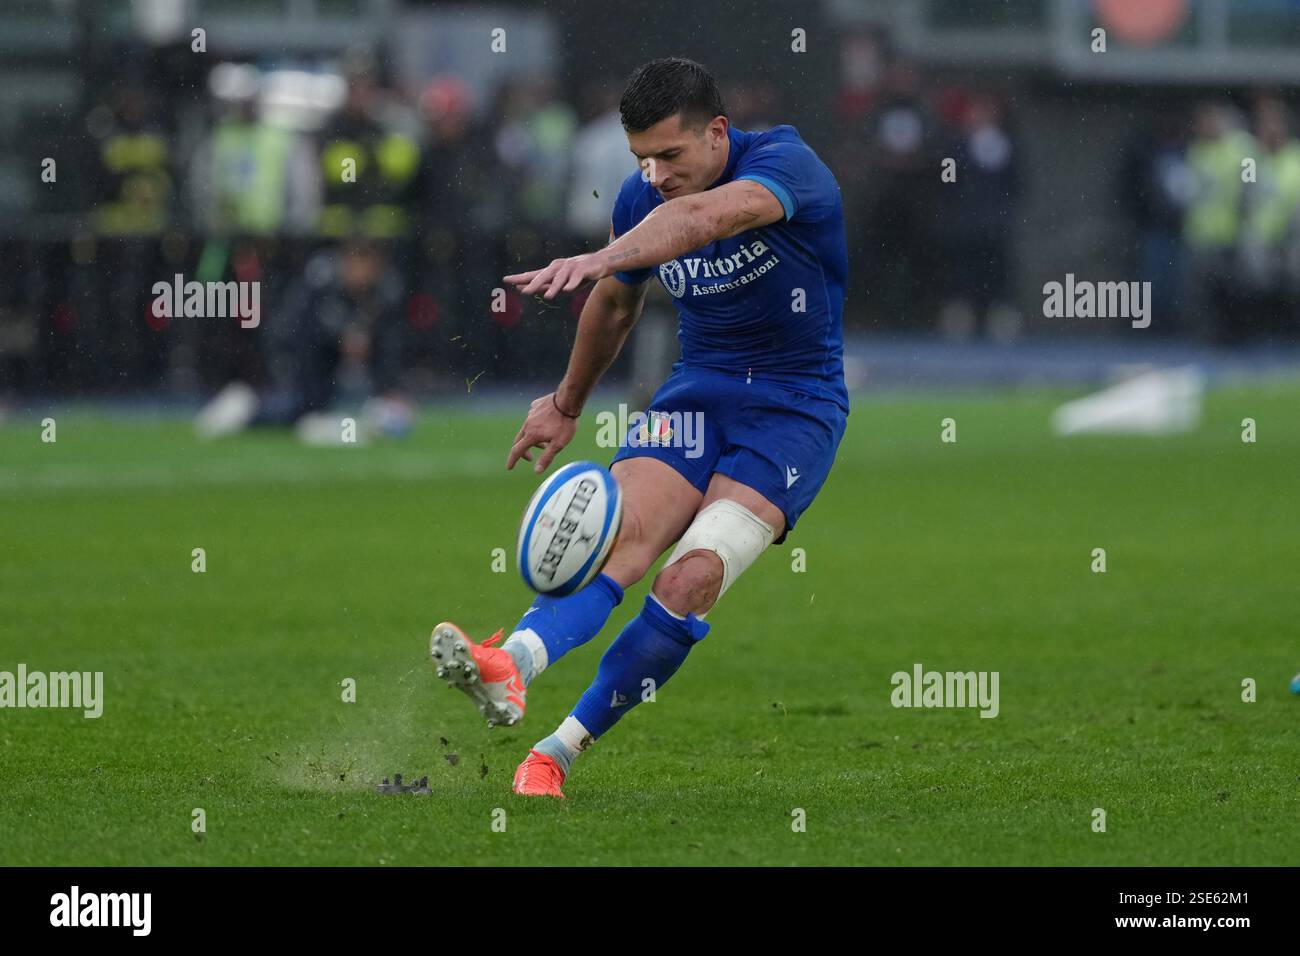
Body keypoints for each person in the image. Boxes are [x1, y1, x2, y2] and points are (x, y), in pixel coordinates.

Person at [428, 57, 850, 798]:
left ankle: (556, 752)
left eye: (670, 155)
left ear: (718, 133)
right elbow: (616, 306)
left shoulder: (786, 164)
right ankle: (511, 667)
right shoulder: (642, 197)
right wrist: (564, 404)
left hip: (794, 405)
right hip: (696, 394)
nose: (653, 175)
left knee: (689, 577)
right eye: (641, 160)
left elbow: (703, 220)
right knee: (615, 541)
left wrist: (600, 255)